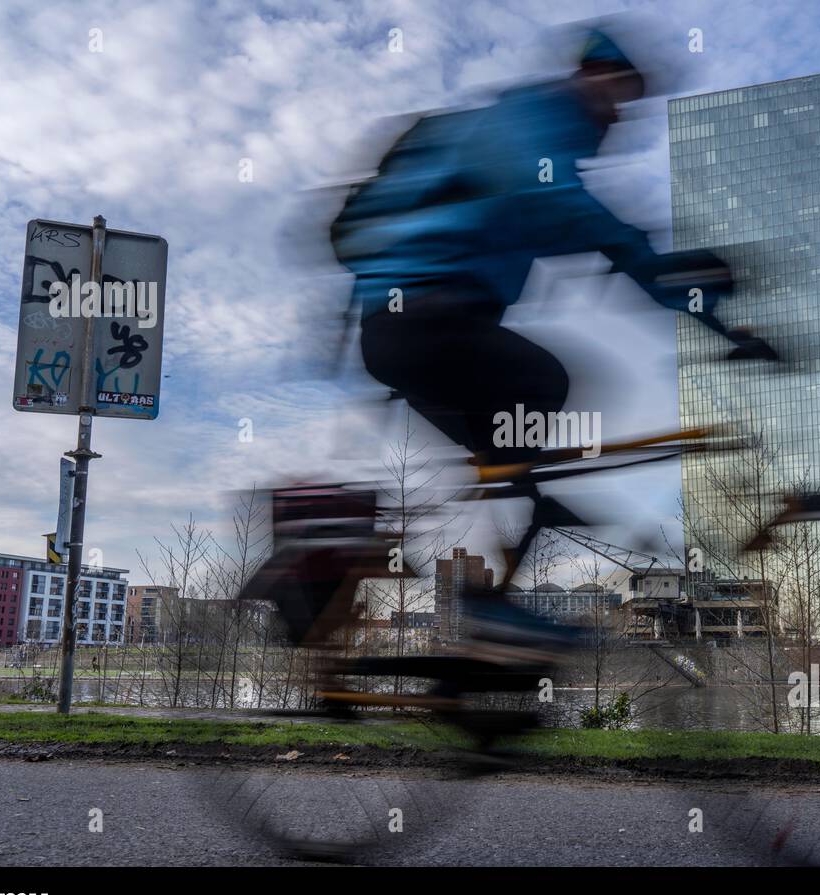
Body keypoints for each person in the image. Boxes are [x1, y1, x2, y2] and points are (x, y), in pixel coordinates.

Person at [331, 28, 776, 615]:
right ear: (588, 76)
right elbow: (574, 213)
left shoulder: (536, 140)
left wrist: (715, 322)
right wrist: (694, 294)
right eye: (619, 93)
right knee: (545, 384)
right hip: (424, 325)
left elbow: (602, 244)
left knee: (508, 456)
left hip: (410, 342)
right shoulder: (532, 121)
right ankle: (519, 517)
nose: (620, 114)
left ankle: (498, 595)